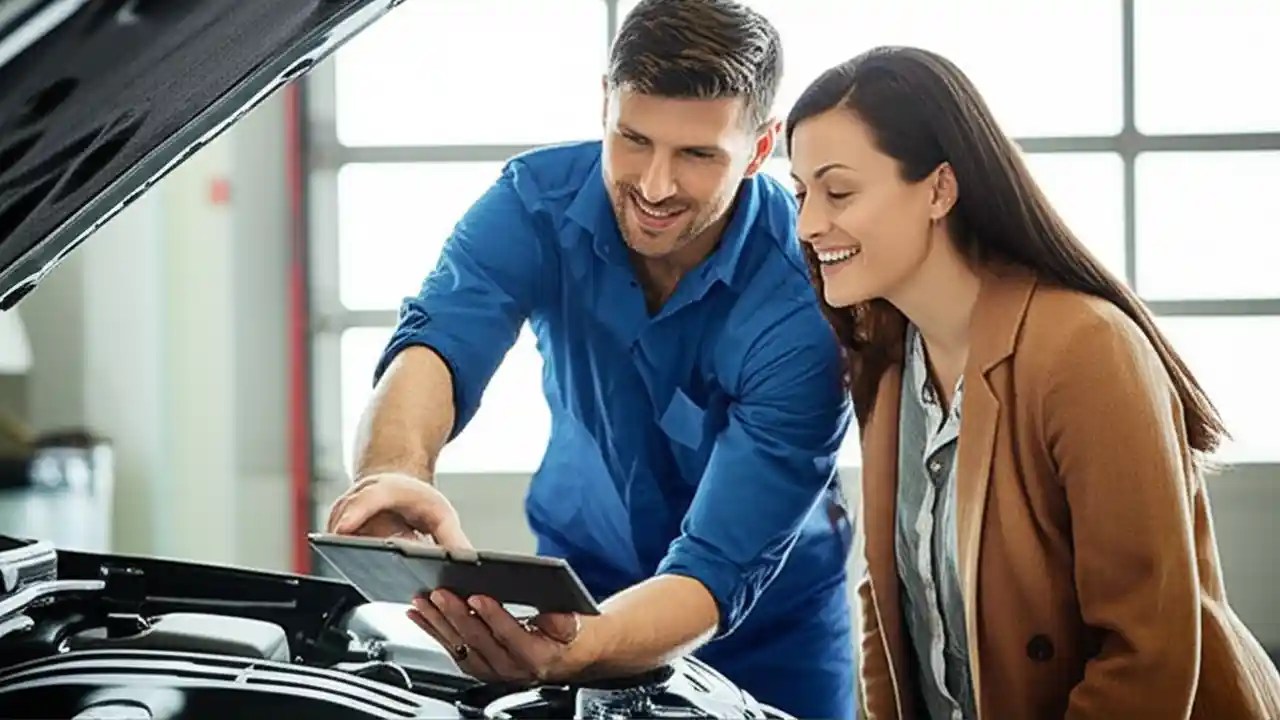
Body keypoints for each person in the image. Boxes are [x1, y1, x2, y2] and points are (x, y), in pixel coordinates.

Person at [324, 1, 856, 716]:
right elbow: (438, 342)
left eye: (698, 155)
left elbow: (716, 566)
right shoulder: (534, 203)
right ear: (605, 103)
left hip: (770, 627)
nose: (656, 186)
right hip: (579, 584)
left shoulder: (805, 300)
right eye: (634, 139)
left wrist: (575, 652)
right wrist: (393, 473)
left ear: (761, 148)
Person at [784, 44, 1280, 720]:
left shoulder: (1086, 349)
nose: (809, 224)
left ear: (939, 189)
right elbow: (889, 609)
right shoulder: (888, 356)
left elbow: (1145, 654)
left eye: (838, 192)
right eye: (800, 193)